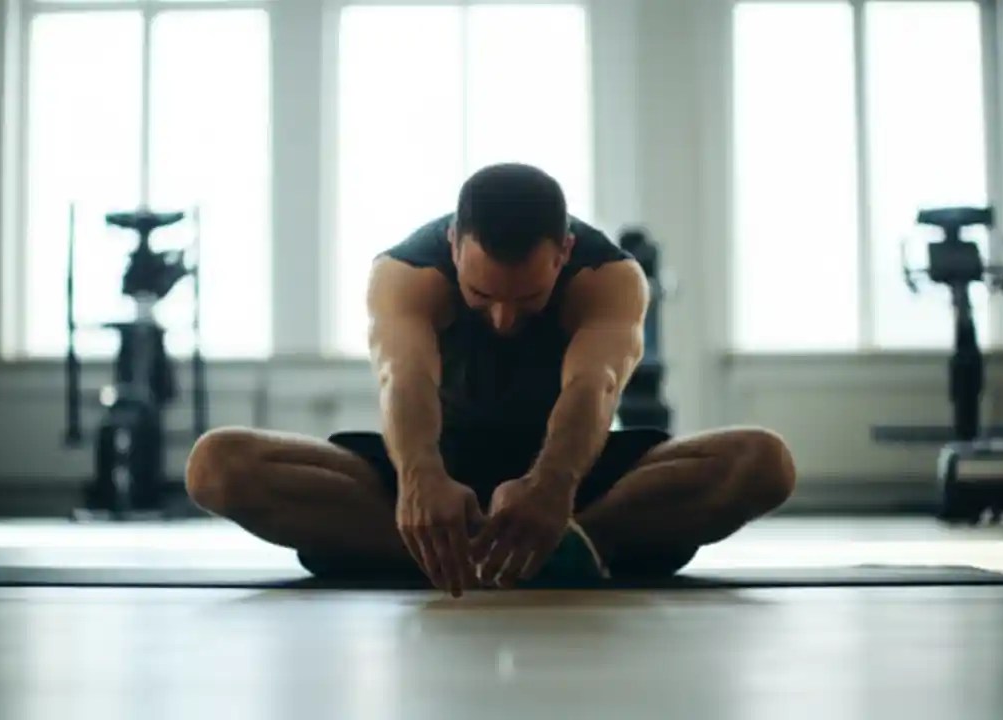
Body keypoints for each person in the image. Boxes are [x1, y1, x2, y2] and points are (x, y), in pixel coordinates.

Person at [186, 163, 796, 597]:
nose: (503, 318)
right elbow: (404, 378)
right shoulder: (405, 273)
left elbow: (595, 386)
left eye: (527, 299)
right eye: (481, 296)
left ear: (563, 252)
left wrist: (552, 487)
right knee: (217, 465)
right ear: (455, 245)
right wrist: (421, 479)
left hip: (573, 480)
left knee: (763, 462)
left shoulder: (609, 277)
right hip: (434, 475)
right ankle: (456, 549)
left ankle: (570, 546)